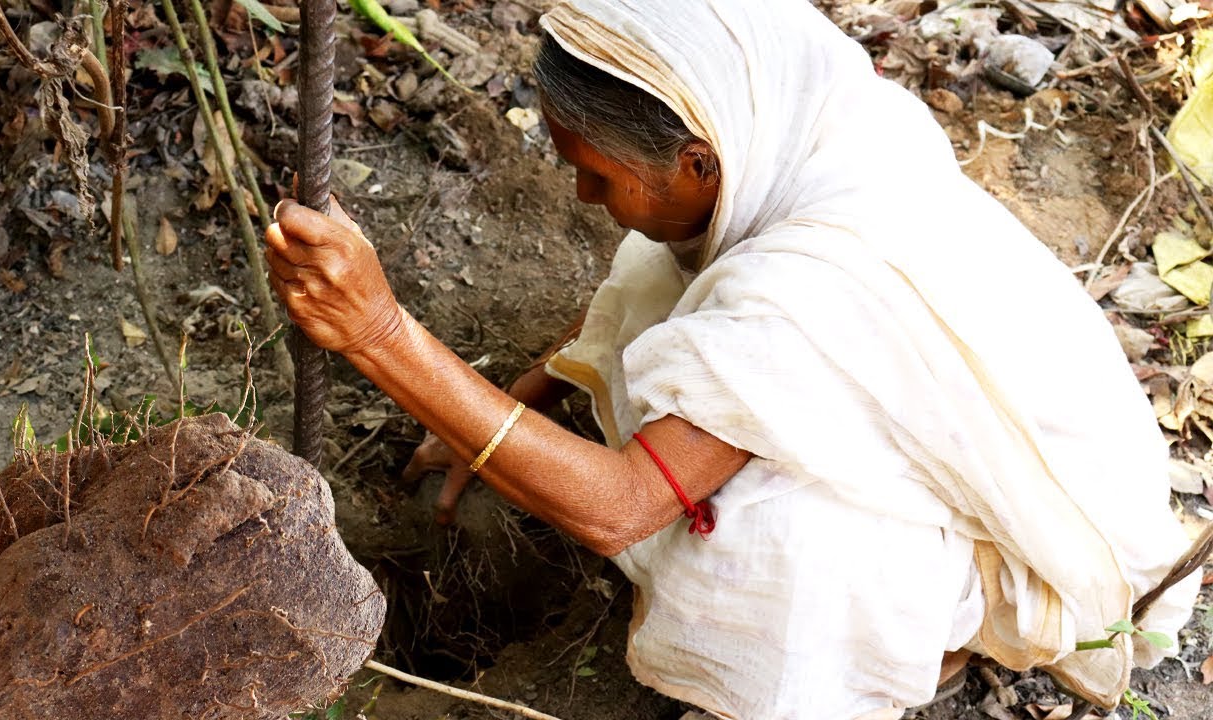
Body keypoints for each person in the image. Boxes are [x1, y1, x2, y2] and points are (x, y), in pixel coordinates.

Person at [263, 1, 1199, 717]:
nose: (586, 196)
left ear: (704, 161)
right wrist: (528, 389)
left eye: (602, 175)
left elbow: (620, 508)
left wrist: (385, 339)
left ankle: (883, 663)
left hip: (1034, 534)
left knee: (777, 535)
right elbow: (693, 303)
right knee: (649, 279)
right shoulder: (813, 117)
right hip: (979, 412)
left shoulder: (808, 293)